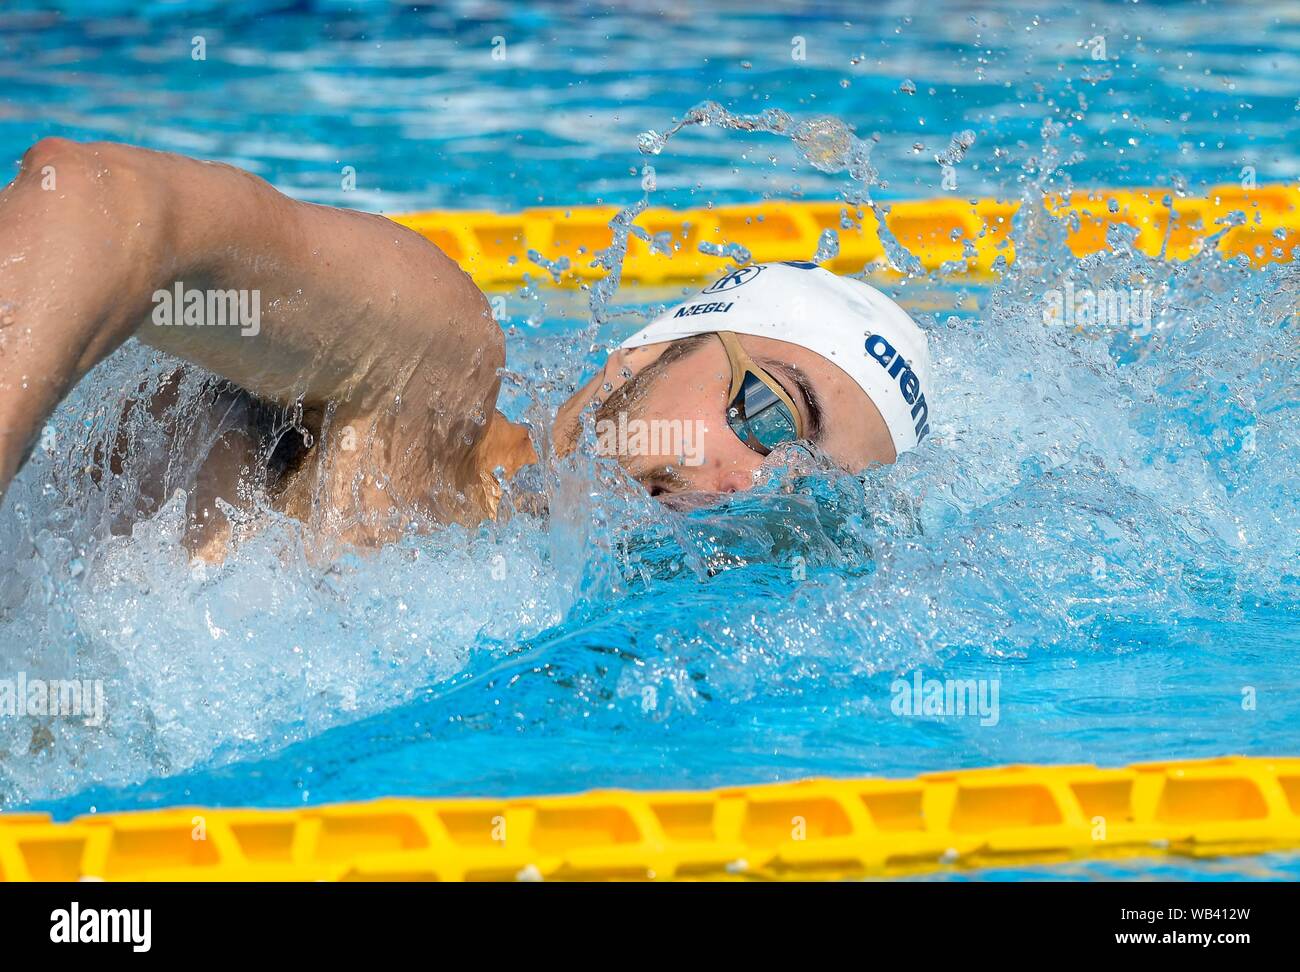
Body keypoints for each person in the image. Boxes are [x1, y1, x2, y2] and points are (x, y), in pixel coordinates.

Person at [0, 139, 931, 557]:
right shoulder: (426, 370)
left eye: (812, 495)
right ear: (646, 355)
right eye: (769, 412)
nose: (754, 486)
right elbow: (91, 196)